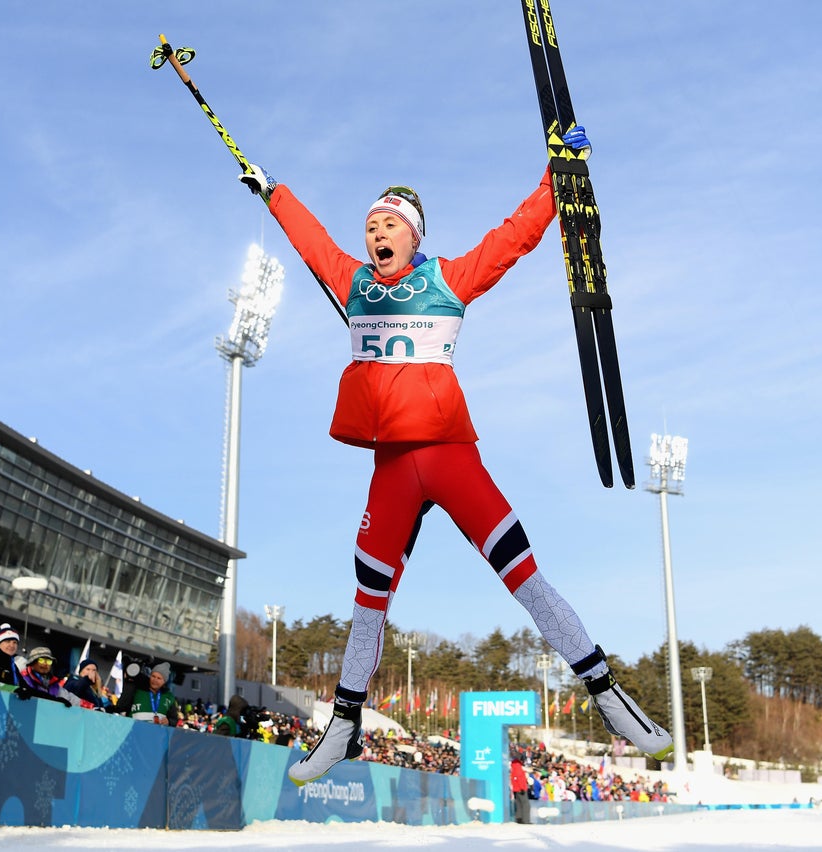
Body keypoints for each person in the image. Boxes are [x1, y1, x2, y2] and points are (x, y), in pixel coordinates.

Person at [236, 125, 673, 787]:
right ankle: (344, 727)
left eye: (388, 223)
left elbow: (512, 239)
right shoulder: (353, 283)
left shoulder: (446, 279)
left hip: (450, 457)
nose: (375, 233)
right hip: (391, 471)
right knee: (366, 602)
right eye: (370, 225)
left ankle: (609, 696)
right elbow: (310, 242)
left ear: (413, 234)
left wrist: (561, 176)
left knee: (526, 578)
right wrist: (274, 193)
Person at [112, 660, 179, 726]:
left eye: (159, 678)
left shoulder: (169, 696)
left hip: (156, 735)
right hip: (135, 732)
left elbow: (174, 720)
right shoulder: (137, 690)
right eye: (153, 676)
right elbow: (121, 706)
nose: (155, 680)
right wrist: (130, 684)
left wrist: (169, 722)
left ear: (164, 681)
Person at [511, 757, 530, 824]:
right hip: (521, 789)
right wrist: (522, 788)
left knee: (518, 804)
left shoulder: (513, 769)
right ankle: (526, 820)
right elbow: (520, 779)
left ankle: (519, 818)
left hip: (515, 789)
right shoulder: (518, 768)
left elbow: (514, 779)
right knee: (525, 804)